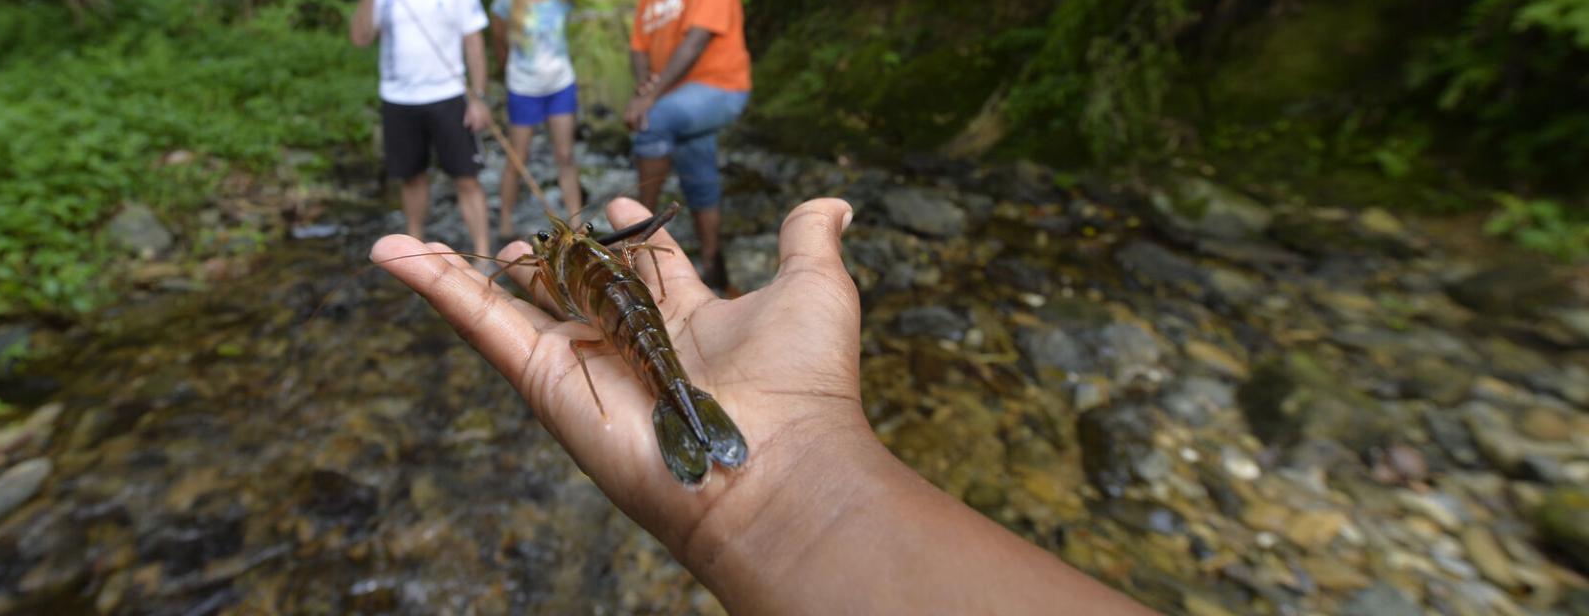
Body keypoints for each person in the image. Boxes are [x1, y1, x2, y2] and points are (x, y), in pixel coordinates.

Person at [369, 197, 1158, 615]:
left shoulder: (576, 279)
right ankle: (684, 402)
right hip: (665, 348)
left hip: (625, 342)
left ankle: (678, 411)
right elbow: (620, 267)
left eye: (555, 251)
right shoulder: (611, 259)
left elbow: (577, 335)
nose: (550, 252)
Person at [349, 0, 493, 262]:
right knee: (411, 177)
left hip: (449, 95)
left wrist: (478, 97)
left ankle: (483, 253)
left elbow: (474, 42)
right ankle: (414, 249)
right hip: (399, 98)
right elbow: (361, 38)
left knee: (467, 178)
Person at [624, 0, 749, 291]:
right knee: (697, 169)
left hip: (720, 88)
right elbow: (639, 47)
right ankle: (714, 264)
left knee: (652, 123)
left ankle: (634, 241)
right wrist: (646, 85)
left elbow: (695, 42)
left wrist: (650, 99)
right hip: (678, 97)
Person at [489, 0, 583, 237]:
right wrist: (511, 75)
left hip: (560, 85)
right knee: (518, 157)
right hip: (524, 88)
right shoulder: (505, 2)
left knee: (565, 154)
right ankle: (504, 221)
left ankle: (576, 220)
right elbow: (500, 45)